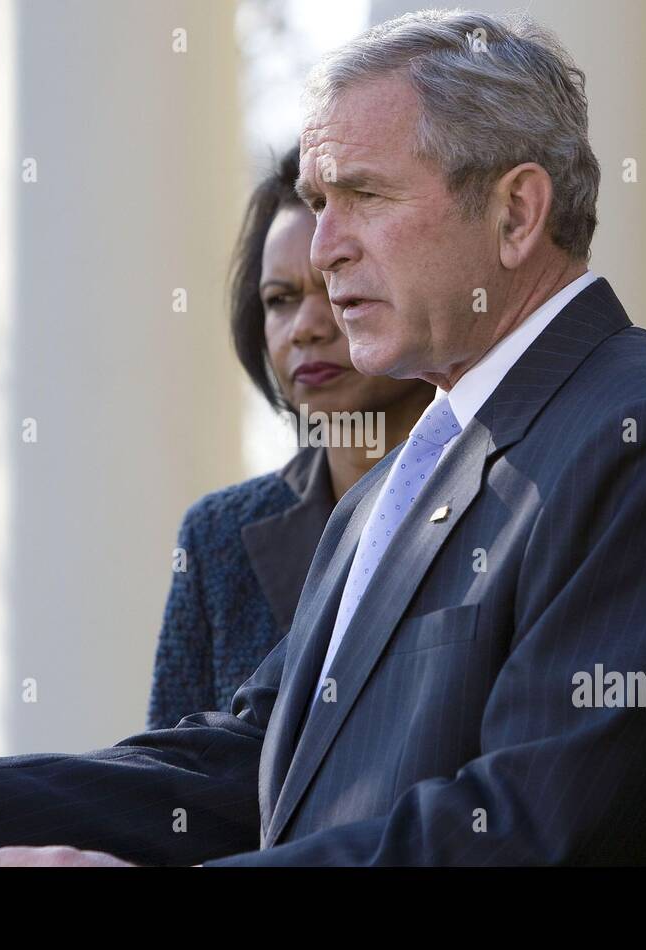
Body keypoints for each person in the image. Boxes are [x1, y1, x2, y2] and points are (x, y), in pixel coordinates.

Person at [0, 9, 646, 867]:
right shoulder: (398, 479)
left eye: (364, 194)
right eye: (316, 201)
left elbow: (534, 827)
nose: (323, 244)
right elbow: (253, 758)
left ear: (517, 210)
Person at [147, 144, 433, 730]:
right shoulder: (217, 538)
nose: (305, 327)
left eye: (334, 287)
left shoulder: (510, 491)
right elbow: (163, 776)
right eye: (279, 300)